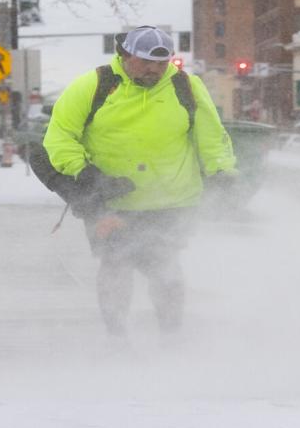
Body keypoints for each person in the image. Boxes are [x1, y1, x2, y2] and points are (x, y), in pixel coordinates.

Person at [43, 26, 239, 342]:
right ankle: (118, 337)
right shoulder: (94, 86)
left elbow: (212, 137)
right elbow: (59, 136)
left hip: (172, 202)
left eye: (161, 63)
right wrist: (88, 176)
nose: (154, 69)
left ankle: (171, 336)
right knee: (116, 267)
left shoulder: (186, 87)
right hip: (110, 202)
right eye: (146, 61)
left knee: (167, 271)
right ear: (125, 55)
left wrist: (223, 172)